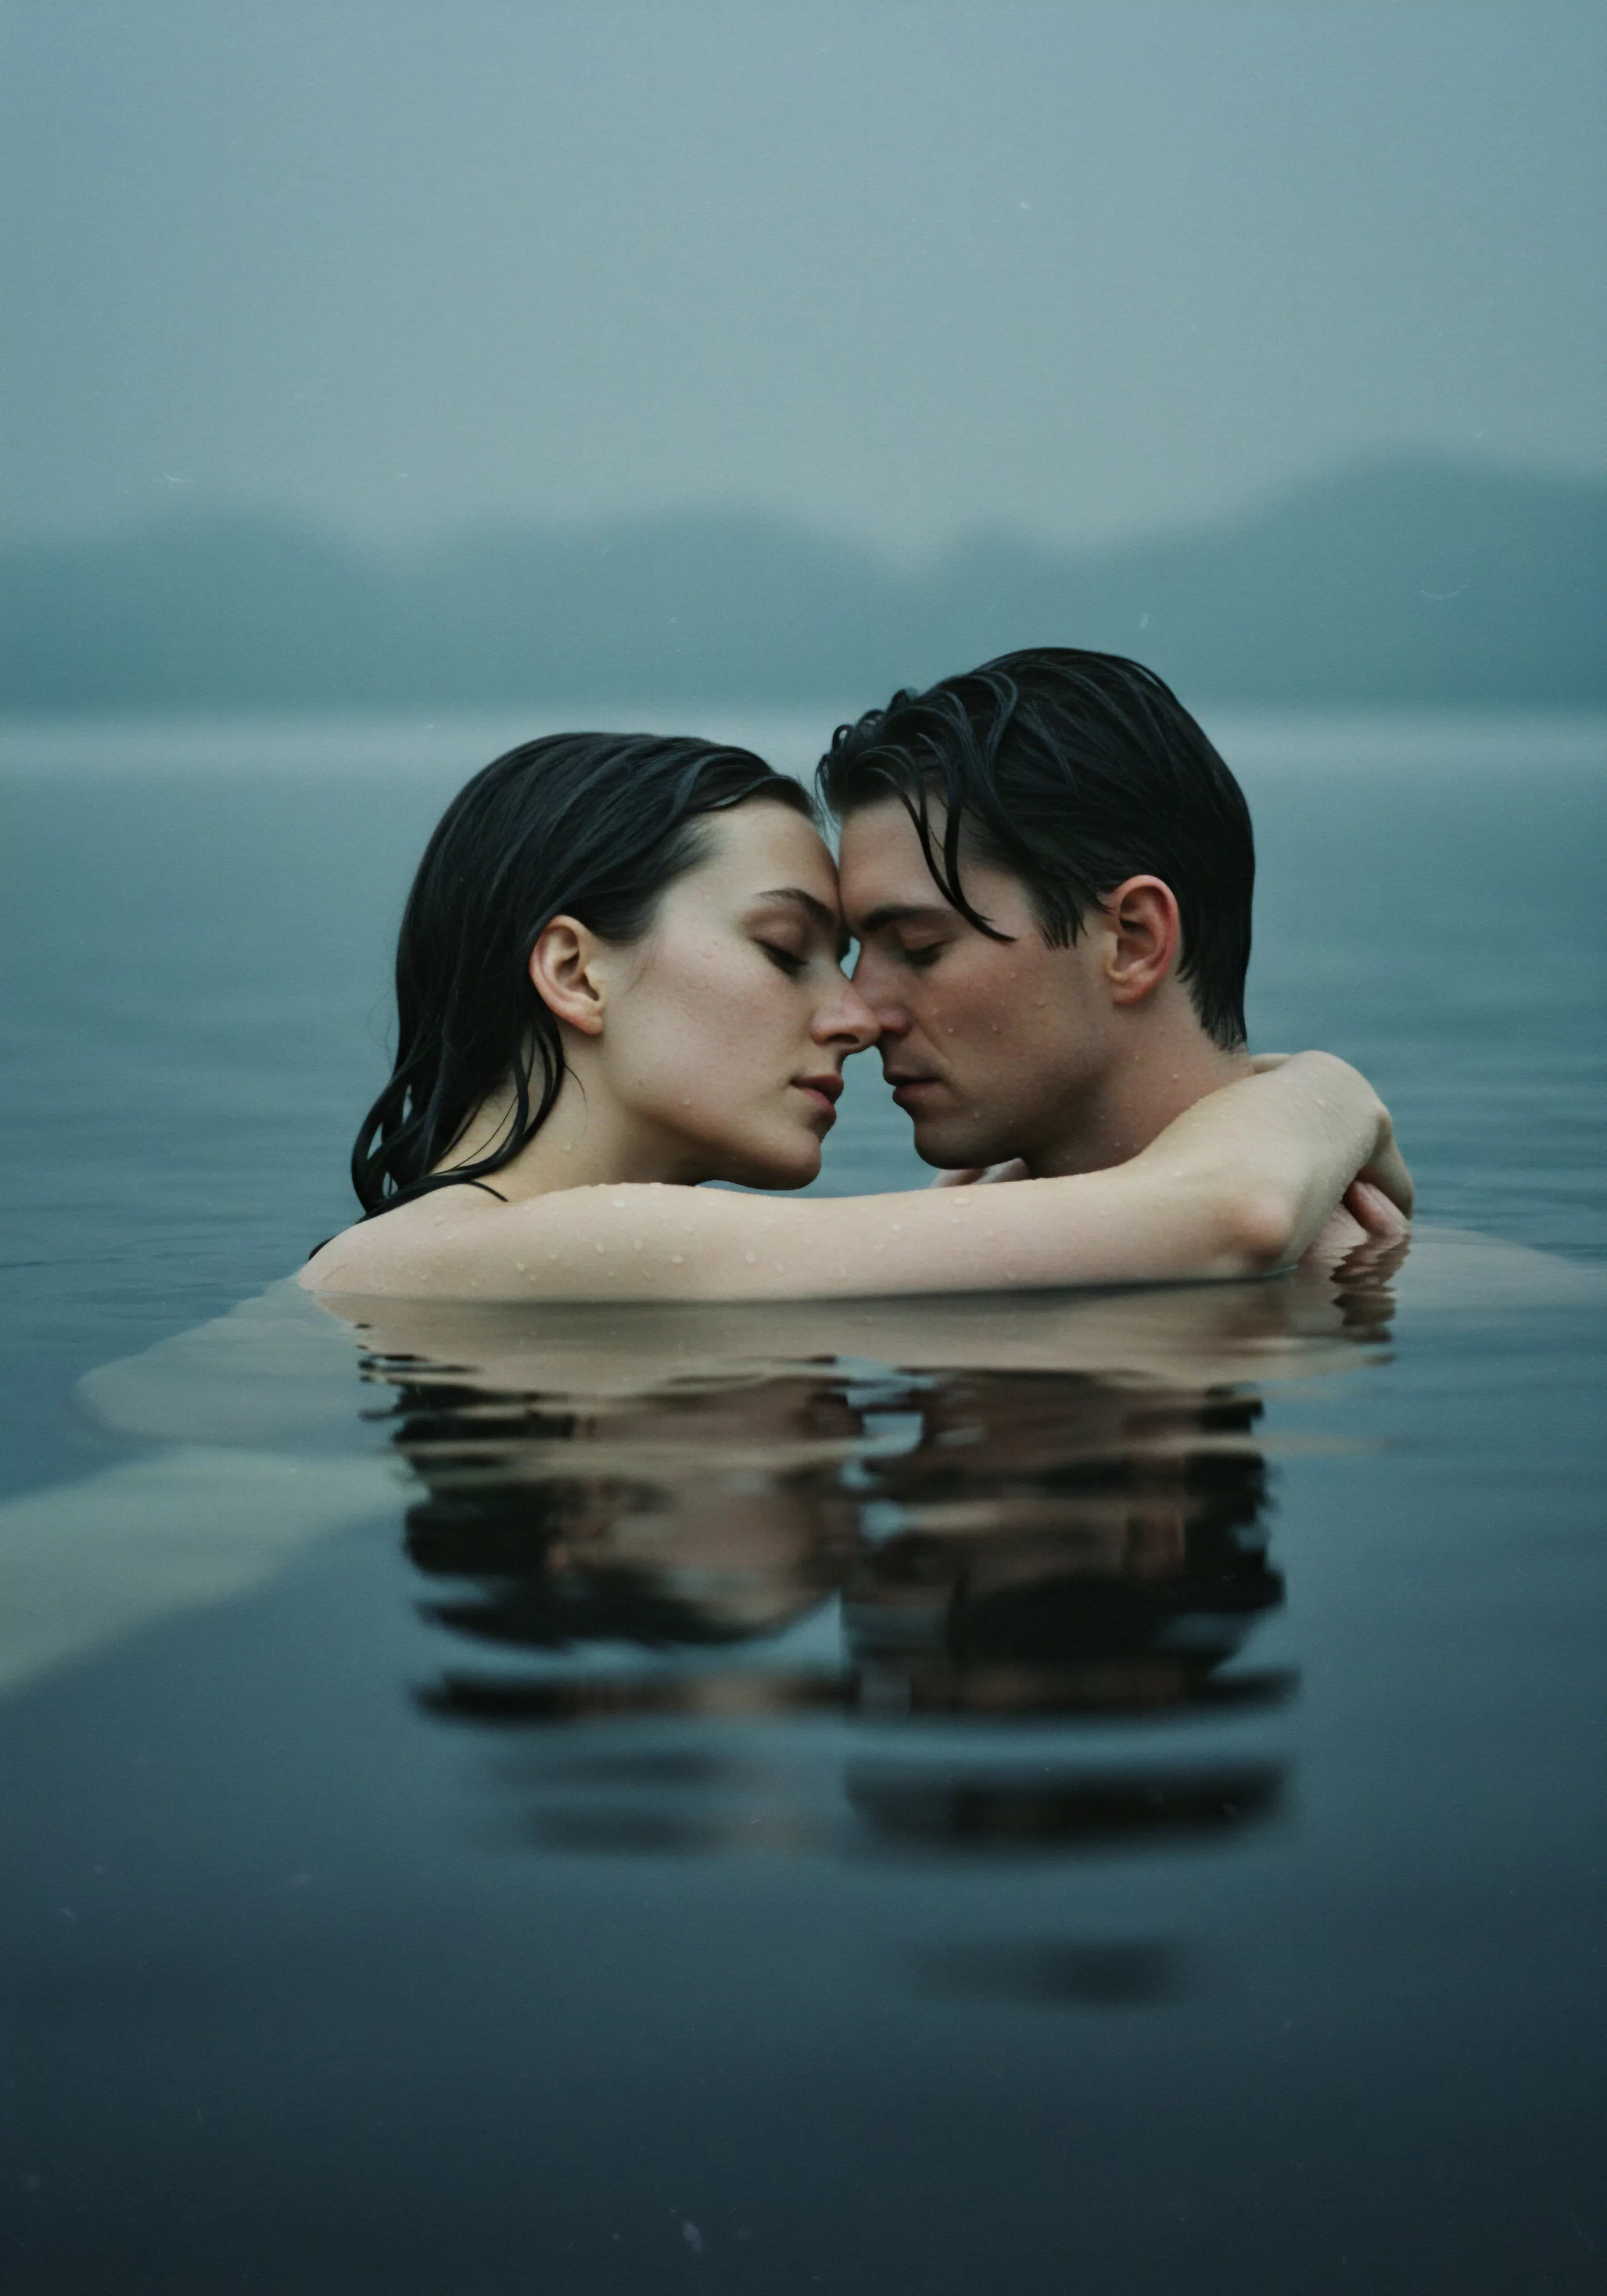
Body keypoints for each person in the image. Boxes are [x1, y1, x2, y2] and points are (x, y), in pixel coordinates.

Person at [300, 728, 1409, 1302]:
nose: (854, 1015)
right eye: (784, 952)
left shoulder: (499, 1257)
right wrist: (1321, 1089)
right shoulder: (530, 1251)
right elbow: (1234, 1215)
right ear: (576, 974)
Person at [823, 646, 1402, 1257]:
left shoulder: (1403, 1292)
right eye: (859, 951)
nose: (861, 1014)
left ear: (1133, 941)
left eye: (921, 948)